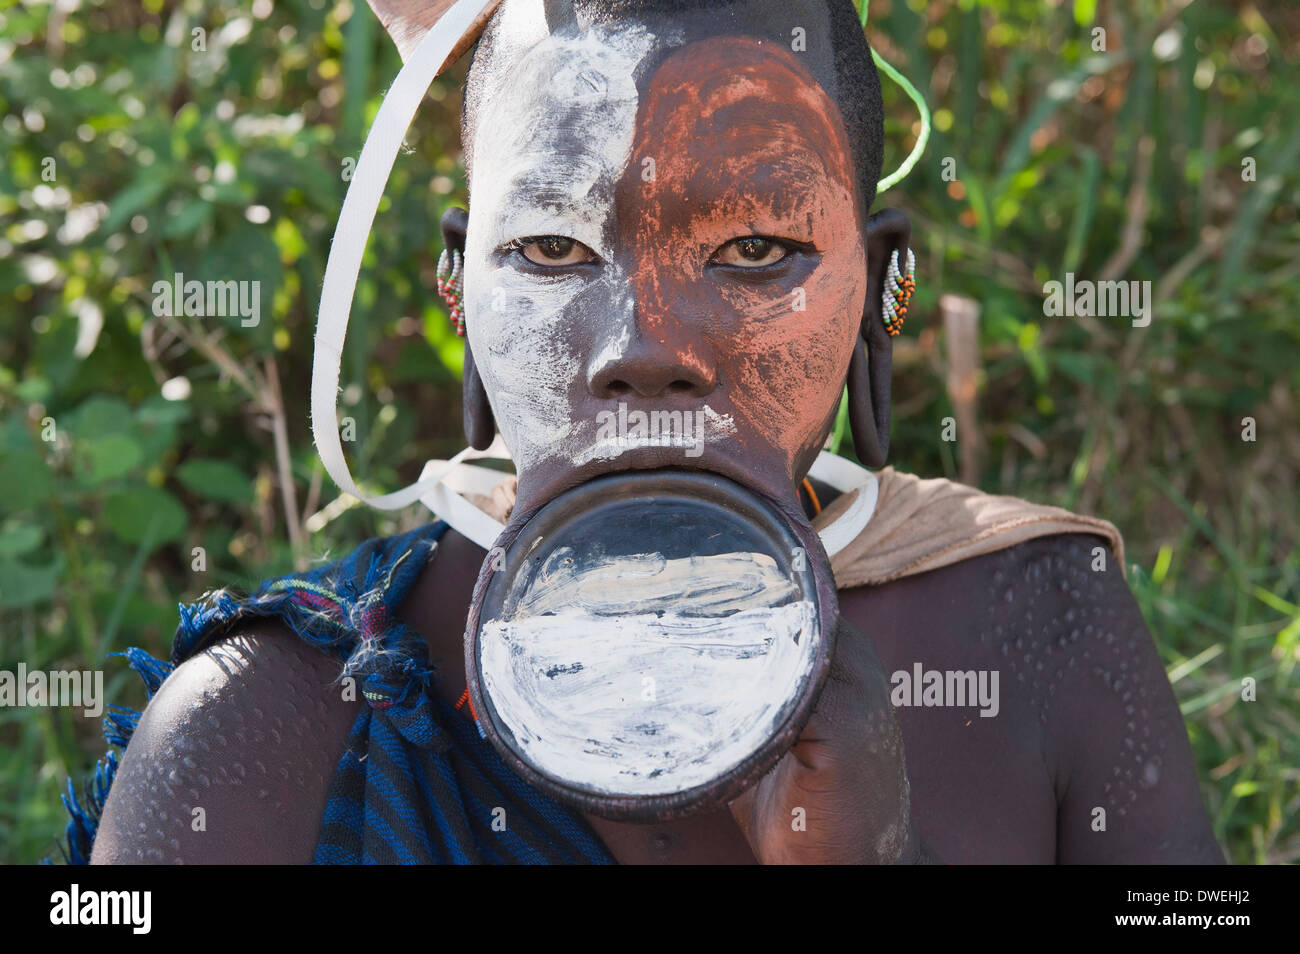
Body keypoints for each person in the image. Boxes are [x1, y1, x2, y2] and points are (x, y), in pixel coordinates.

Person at [65, 0, 1223, 864]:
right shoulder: (265, 722)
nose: (644, 343)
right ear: (459, 300)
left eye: (756, 249)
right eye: (555, 252)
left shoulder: (1041, 627)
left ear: (882, 291)